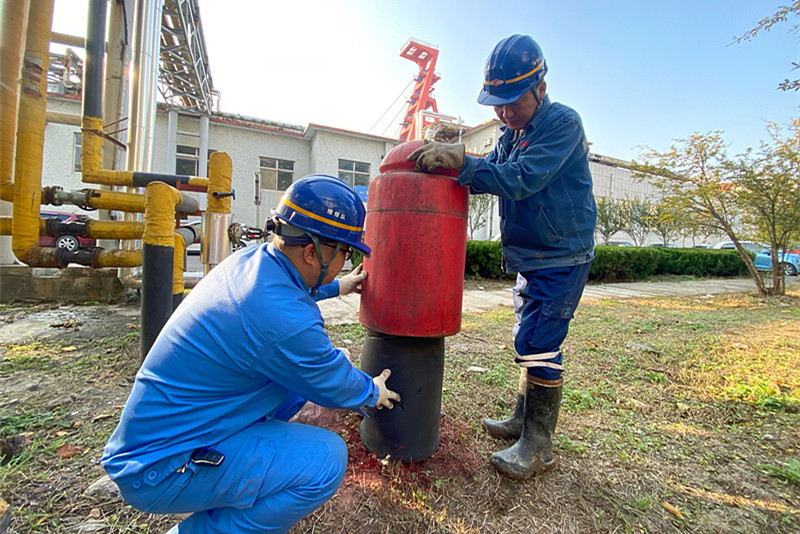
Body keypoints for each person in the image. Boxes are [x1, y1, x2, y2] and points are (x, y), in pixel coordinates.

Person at [102, 174, 400, 533]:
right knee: (327, 460)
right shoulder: (286, 322)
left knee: (294, 385)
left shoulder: (251, 262)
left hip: (161, 438)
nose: (347, 259)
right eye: (345, 252)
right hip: (162, 467)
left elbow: (279, 301)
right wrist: (372, 391)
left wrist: (337, 285)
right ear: (312, 252)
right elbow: (333, 382)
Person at [407, 34, 596, 480]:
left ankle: (539, 445)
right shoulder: (513, 134)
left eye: (513, 100)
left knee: (539, 344)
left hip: (562, 254)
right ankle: (521, 420)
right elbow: (489, 169)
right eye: (497, 102)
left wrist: (464, 164)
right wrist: (446, 171)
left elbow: (520, 179)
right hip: (532, 256)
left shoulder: (562, 125)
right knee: (527, 338)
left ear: (541, 88)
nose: (504, 112)